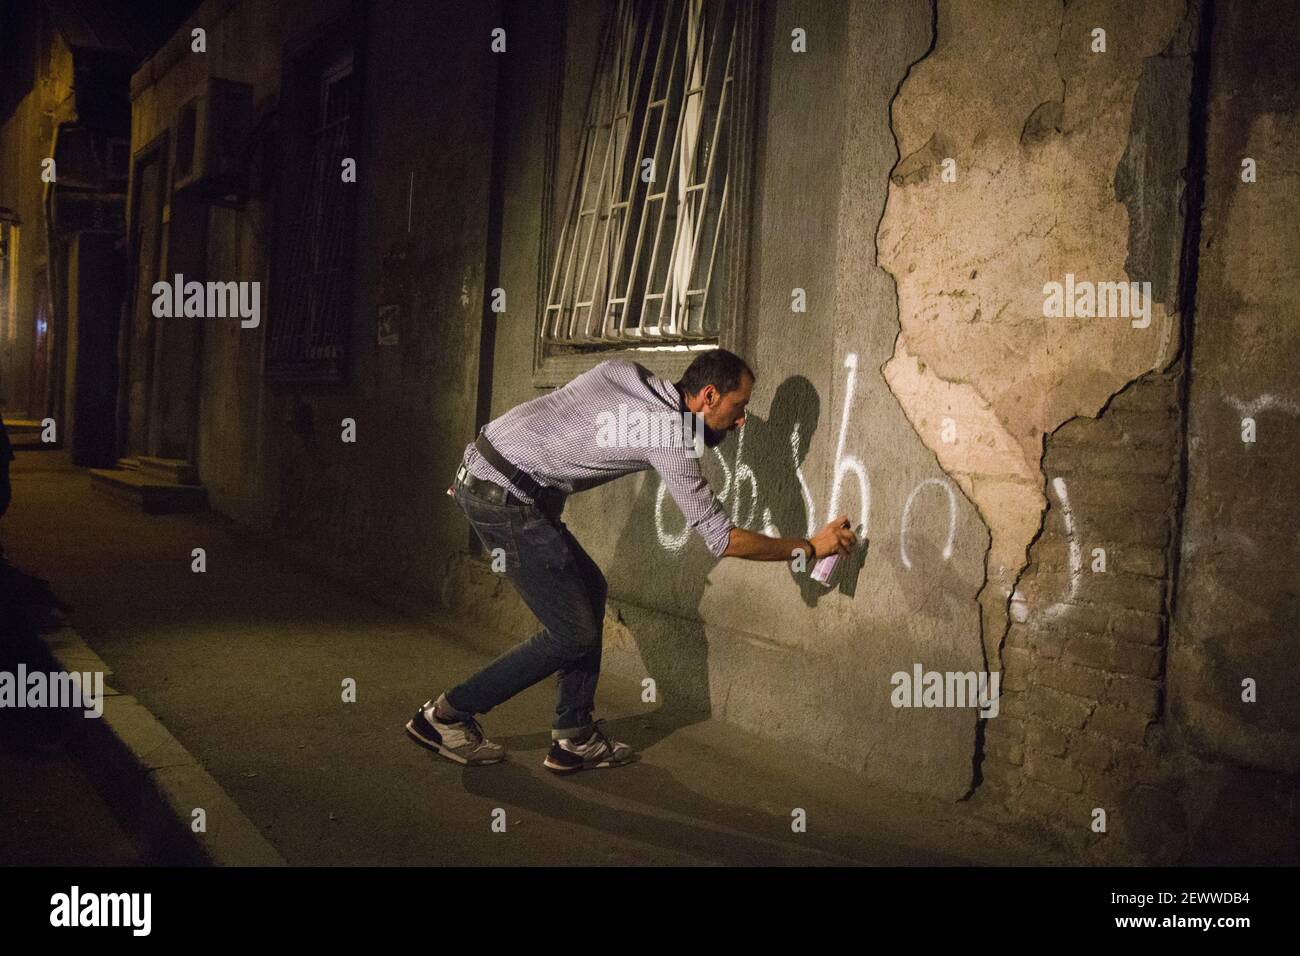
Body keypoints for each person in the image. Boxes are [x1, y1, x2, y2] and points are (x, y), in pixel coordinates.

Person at [406, 349, 857, 773]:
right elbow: (722, 539)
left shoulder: (625, 372)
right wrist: (811, 547)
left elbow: (559, 427)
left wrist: (483, 473)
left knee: (591, 589)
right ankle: (446, 715)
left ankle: (574, 736)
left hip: (491, 471)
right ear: (709, 396)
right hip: (508, 499)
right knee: (572, 634)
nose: (741, 421)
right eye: (738, 407)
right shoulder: (668, 435)